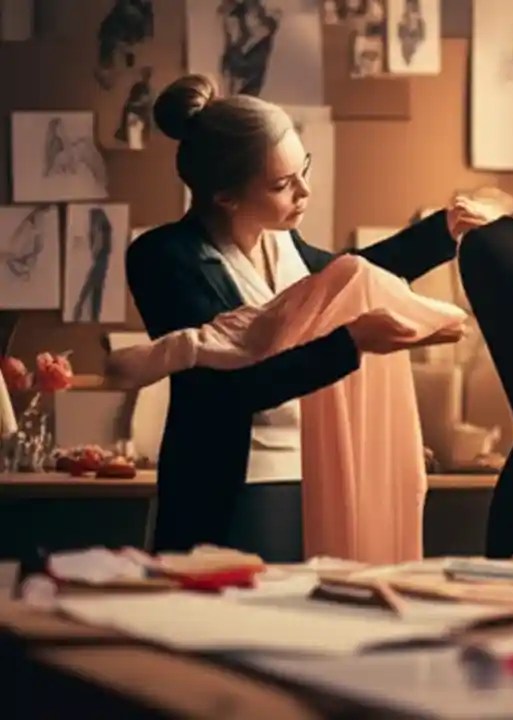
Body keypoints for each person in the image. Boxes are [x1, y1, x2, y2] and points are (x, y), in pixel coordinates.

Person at [127, 73, 462, 561]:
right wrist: (349, 344)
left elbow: (357, 274)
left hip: (318, 467)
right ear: (225, 196)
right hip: (234, 482)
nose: (304, 191)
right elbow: (229, 386)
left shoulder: (284, 244)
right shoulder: (164, 257)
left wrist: (443, 233)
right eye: (283, 184)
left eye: (304, 169)